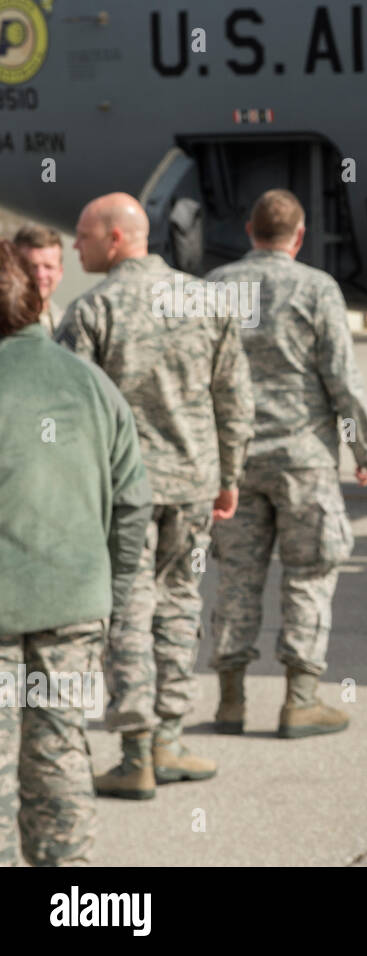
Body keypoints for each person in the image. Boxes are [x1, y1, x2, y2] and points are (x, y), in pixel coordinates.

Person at [58, 193, 254, 799]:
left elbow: (70, 415)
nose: (75, 246)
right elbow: (234, 398)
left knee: (128, 612)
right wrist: (229, 475)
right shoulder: (207, 301)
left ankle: (136, 751)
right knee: (177, 606)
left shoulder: (92, 310)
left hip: (124, 494)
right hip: (194, 486)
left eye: (84, 236)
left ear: (116, 240)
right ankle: (168, 738)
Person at [205, 189, 367, 738]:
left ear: (250, 232)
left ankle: (230, 701)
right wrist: (364, 449)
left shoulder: (214, 288)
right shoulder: (316, 288)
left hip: (233, 461)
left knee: (236, 576)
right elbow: (342, 381)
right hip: (303, 459)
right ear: (298, 237)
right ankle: (300, 700)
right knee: (309, 574)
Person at [0, 239, 152, 865]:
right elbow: (133, 502)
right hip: (75, 608)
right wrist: (108, 598)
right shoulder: (91, 383)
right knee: (61, 755)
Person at [12, 223, 65, 338]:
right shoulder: (5, 320)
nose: (40, 275)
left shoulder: (67, 324)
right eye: (32, 266)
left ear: (60, 272)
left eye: (48, 267)